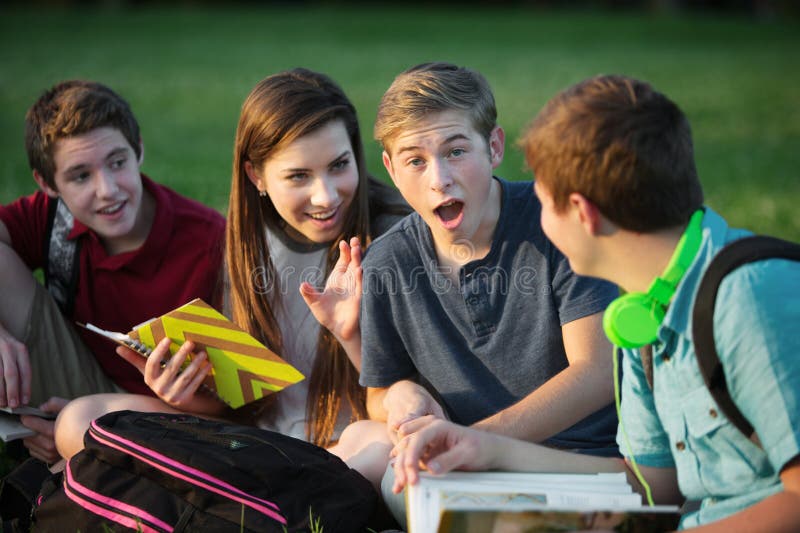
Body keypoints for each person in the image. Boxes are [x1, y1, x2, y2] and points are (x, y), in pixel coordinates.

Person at [390, 75, 800, 531]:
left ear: (582, 213)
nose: (537, 220)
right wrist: (488, 447)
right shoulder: (638, 315)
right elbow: (649, 487)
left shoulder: (748, 299)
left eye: (543, 202)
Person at [55, 69, 409, 486]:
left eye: (339, 165)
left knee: (381, 444)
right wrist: (188, 397)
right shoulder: (243, 243)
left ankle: (226, 497)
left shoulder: (394, 238)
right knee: (79, 419)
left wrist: (352, 337)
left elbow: (402, 409)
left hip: (347, 449)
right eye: (298, 176)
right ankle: (248, 496)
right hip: (256, 445)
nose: (326, 196)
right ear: (256, 176)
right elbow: (246, 408)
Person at [358, 62, 621, 524]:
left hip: (584, 463)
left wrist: (479, 440)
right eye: (415, 160)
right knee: (393, 482)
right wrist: (402, 396)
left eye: (455, 151)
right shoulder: (387, 262)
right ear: (391, 169)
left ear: (494, 146)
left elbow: (597, 372)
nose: (438, 178)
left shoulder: (556, 224)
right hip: (467, 469)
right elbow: (378, 391)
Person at [0, 80, 225, 463]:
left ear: (138, 151)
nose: (107, 190)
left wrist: (188, 398)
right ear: (48, 183)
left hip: (174, 419)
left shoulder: (210, 242)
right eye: (80, 176)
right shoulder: (50, 217)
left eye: (117, 163)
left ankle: (73, 444)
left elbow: (239, 410)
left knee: (80, 422)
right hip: (78, 382)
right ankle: (46, 430)